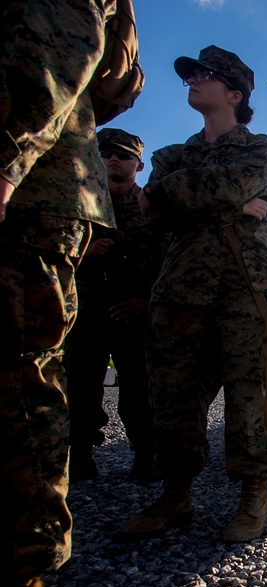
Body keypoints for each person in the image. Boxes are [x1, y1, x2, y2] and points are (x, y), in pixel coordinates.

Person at [118, 46, 267, 543]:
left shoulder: (260, 149)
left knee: (248, 391)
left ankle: (254, 493)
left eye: (205, 75)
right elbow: (150, 210)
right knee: (173, 396)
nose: (193, 80)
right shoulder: (172, 155)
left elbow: (182, 195)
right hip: (179, 288)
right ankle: (176, 492)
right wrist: (231, 201)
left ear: (235, 94)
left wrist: (185, 196)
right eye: (190, 74)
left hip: (243, 287)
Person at [1, 2, 123, 587]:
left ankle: (18, 585)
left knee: (16, 373)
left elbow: (59, 30)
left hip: (33, 183)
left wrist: (9, 153)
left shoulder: (259, 151)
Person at [63, 128, 161, 484]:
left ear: (139, 163)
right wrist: (82, 250)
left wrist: (145, 299)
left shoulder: (152, 208)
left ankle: (146, 456)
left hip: (133, 314)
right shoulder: (78, 201)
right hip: (86, 310)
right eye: (107, 154)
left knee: (139, 387)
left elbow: (169, 259)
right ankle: (80, 455)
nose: (114, 160)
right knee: (79, 386)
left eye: (123, 155)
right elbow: (51, 247)